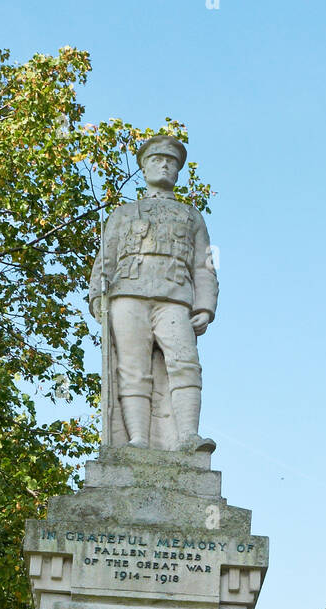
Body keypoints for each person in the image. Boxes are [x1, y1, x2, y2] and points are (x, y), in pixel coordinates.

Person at [89, 135, 219, 452]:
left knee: (186, 363)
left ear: (177, 172)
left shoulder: (191, 216)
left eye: (171, 162)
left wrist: (206, 305)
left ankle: (188, 436)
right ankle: (137, 441)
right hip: (128, 294)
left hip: (175, 297)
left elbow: (204, 264)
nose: (164, 165)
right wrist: (96, 296)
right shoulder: (122, 213)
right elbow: (105, 259)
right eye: (157, 160)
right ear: (145, 167)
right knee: (133, 368)